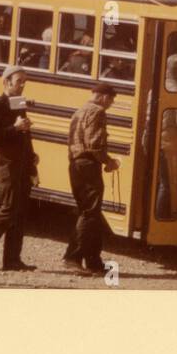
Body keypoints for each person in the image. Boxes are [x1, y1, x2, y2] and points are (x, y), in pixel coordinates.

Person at [0, 65, 38, 271]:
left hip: (21, 161)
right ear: (6, 82)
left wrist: (32, 165)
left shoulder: (18, 104)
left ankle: (12, 259)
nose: (22, 85)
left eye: (24, 82)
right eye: (19, 81)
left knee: (20, 211)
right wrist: (15, 128)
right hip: (5, 161)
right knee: (10, 205)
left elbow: (26, 136)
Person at [64, 82, 120, 276]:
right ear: (103, 96)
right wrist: (109, 161)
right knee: (90, 213)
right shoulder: (98, 112)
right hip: (88, 165)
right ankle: (73, 257)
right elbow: (94, 145)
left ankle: (94, 261)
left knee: (89, 213)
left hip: (75, 164)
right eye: (111, 99)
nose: (111, 103)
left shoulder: (79, 111)